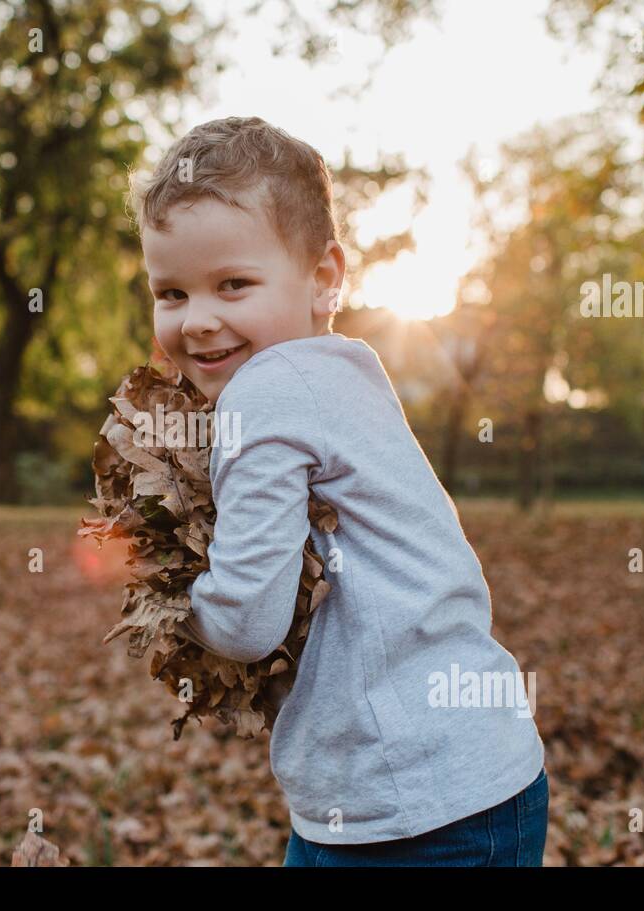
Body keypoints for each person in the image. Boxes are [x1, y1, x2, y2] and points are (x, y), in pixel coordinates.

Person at [129, 116, 549, 866]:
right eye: (172, 292)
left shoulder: (267, 390)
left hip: (417, 812)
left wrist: (174, 605)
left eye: (234, 284)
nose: (198, 320)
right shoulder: (345, 369)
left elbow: (249, 619)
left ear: (324, 278)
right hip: (451, 779)